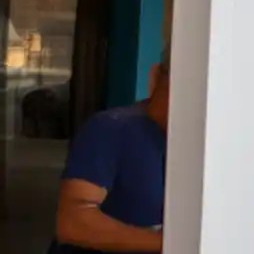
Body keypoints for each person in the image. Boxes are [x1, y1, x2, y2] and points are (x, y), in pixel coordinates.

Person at [51, 57, 169, 253]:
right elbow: (72, 222)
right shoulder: (112, 128)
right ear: (155, 79)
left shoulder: (212, 147)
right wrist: (174, 243)